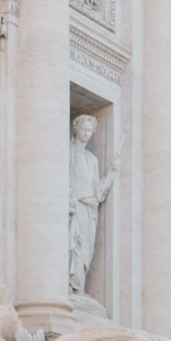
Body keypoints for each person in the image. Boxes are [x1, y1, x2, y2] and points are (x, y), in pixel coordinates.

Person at [68, 114, 119, 295]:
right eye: (83, 129)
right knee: (74, 245)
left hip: (89, 210)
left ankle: (78, 287)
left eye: (90, 130)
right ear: (75, 128)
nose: (86, 133)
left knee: (84, 252)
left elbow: (98, 190)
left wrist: (112, 170)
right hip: (74, 206)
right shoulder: (68, 151)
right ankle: (70, 285)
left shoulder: (92, 159)